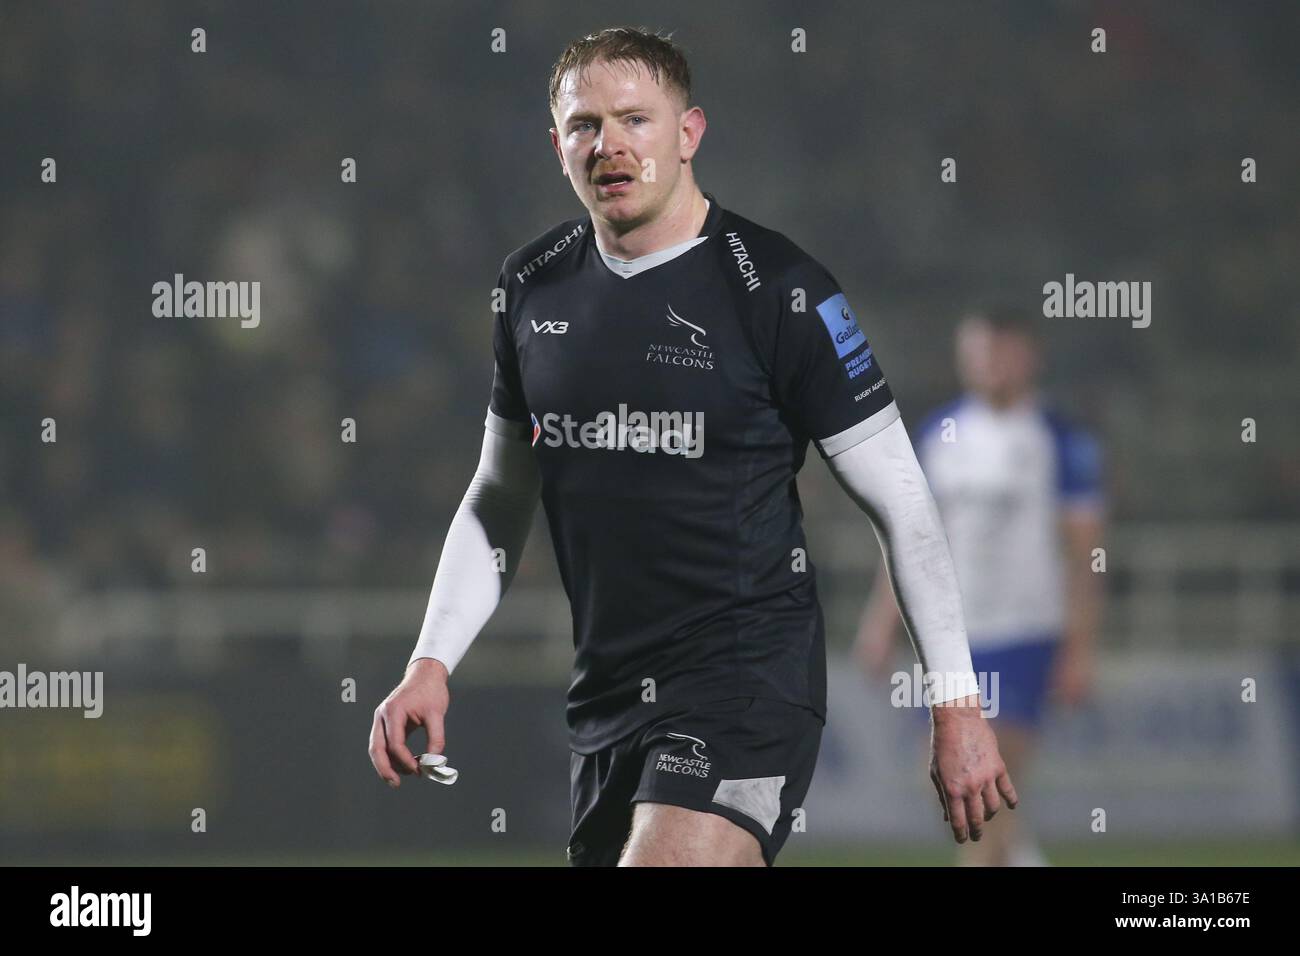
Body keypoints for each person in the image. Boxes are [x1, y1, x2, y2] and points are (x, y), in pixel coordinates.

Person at [369, 26, 1015, 867]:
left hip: (745, 683)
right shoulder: (530, 287)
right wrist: (430, 660)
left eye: (636, 119)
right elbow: (499, 495)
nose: (610, 145)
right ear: (555, 144)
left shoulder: (781, 292)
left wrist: (956, 705)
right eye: (585, 125)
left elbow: (902, 503)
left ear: (689, 133)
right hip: (606, 696)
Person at [855, 308, 1105, 866]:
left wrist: (1080, 648)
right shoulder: (940, 434)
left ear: (1029, 356)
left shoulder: (1060, 439)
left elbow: (1085, 553)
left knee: (982, 789)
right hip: (951, 640)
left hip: (1025, 633)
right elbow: (909, 539)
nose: (988, 362)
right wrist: (880, 621)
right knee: (952, 791)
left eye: (1000, 350)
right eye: (978, 350)